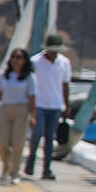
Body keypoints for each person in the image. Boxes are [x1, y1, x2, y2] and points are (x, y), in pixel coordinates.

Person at [27, 33, 74, 179]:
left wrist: (67, 104)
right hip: (39, 105)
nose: (54, 54)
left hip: (55, 105)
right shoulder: (35, 62)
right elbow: (28, 85)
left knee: (49, 138)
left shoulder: (65, 62)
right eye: (52, 51)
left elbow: (65, 84)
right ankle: (31, 159)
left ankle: (46, 169)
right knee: (37, 134)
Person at [0, 48, 37, 184]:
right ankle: (5, 167)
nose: (15, 60)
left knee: (17, 144)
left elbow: (32, 97)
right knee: (3, 142)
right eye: (14, 57)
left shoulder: (29, 77)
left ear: (25, 60)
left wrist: (33, 115)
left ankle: (15, 172)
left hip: (21, 111)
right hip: (5, 110)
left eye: (19, 57)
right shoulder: (5, 76)